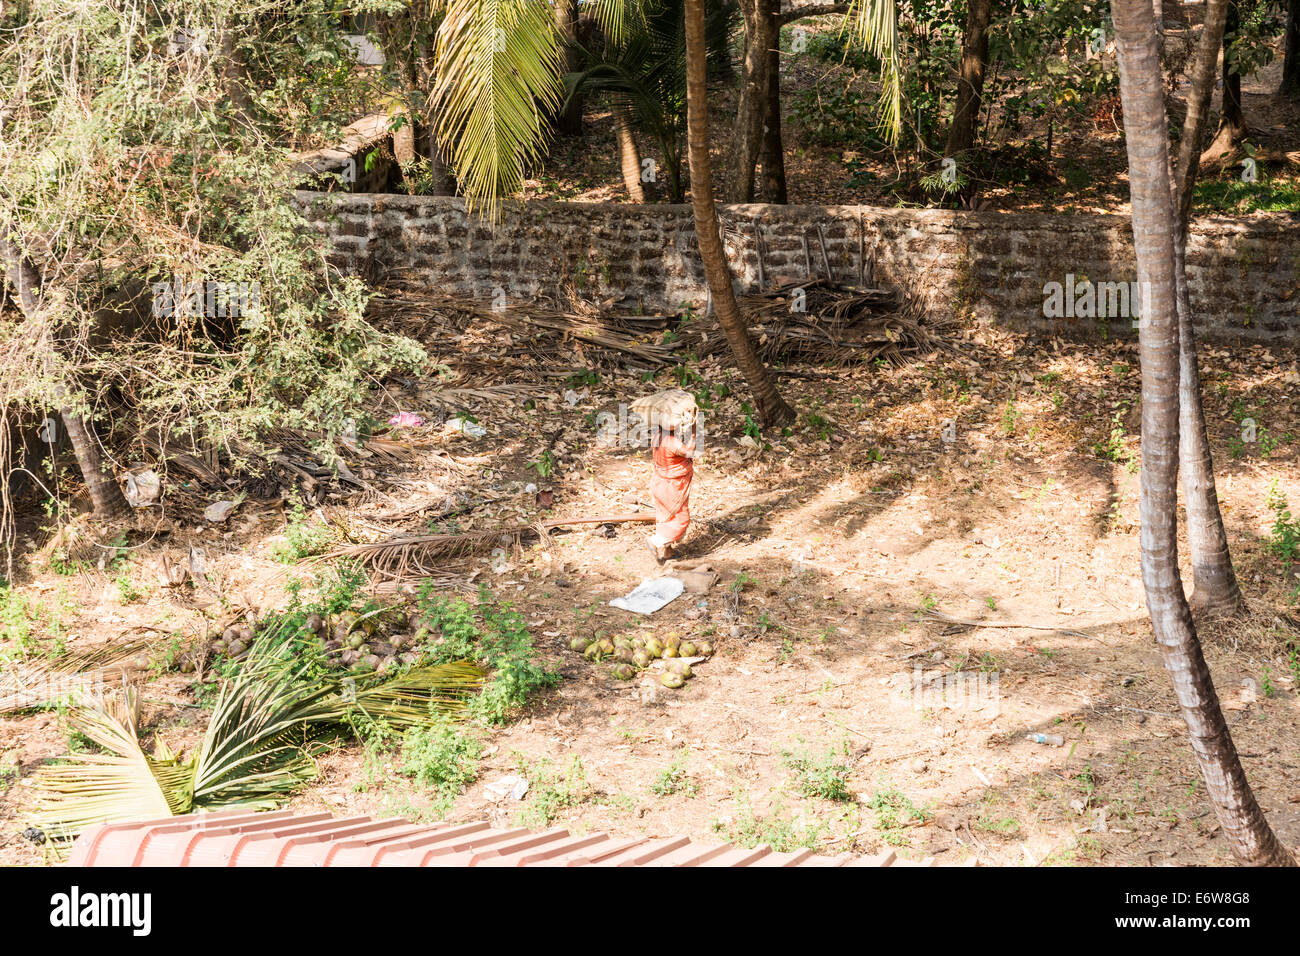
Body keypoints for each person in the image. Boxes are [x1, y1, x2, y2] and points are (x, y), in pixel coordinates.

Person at [646, 415, 696, 564]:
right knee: (681, 518)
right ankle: (655, 541)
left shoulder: (657, 436)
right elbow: (690, 452)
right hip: (672, 486)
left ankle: (668, 551)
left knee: (666, 516)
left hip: (660, 482)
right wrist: (694, 431)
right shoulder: (671, 441)